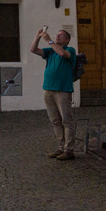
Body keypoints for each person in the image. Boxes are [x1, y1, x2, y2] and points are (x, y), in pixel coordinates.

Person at [33, 27, 78, 160]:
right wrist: (38, 36)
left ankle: (69, 150)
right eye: (57, 35)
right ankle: (60, 147)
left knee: (66, 120)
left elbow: (63, 54)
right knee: (55, 121)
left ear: (67, 39)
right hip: (48, 89)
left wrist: (49, 40)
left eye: (61, 35)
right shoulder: (50, 51)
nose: (57, 37)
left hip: (63, 90)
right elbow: (33, 50)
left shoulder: (70, 50)